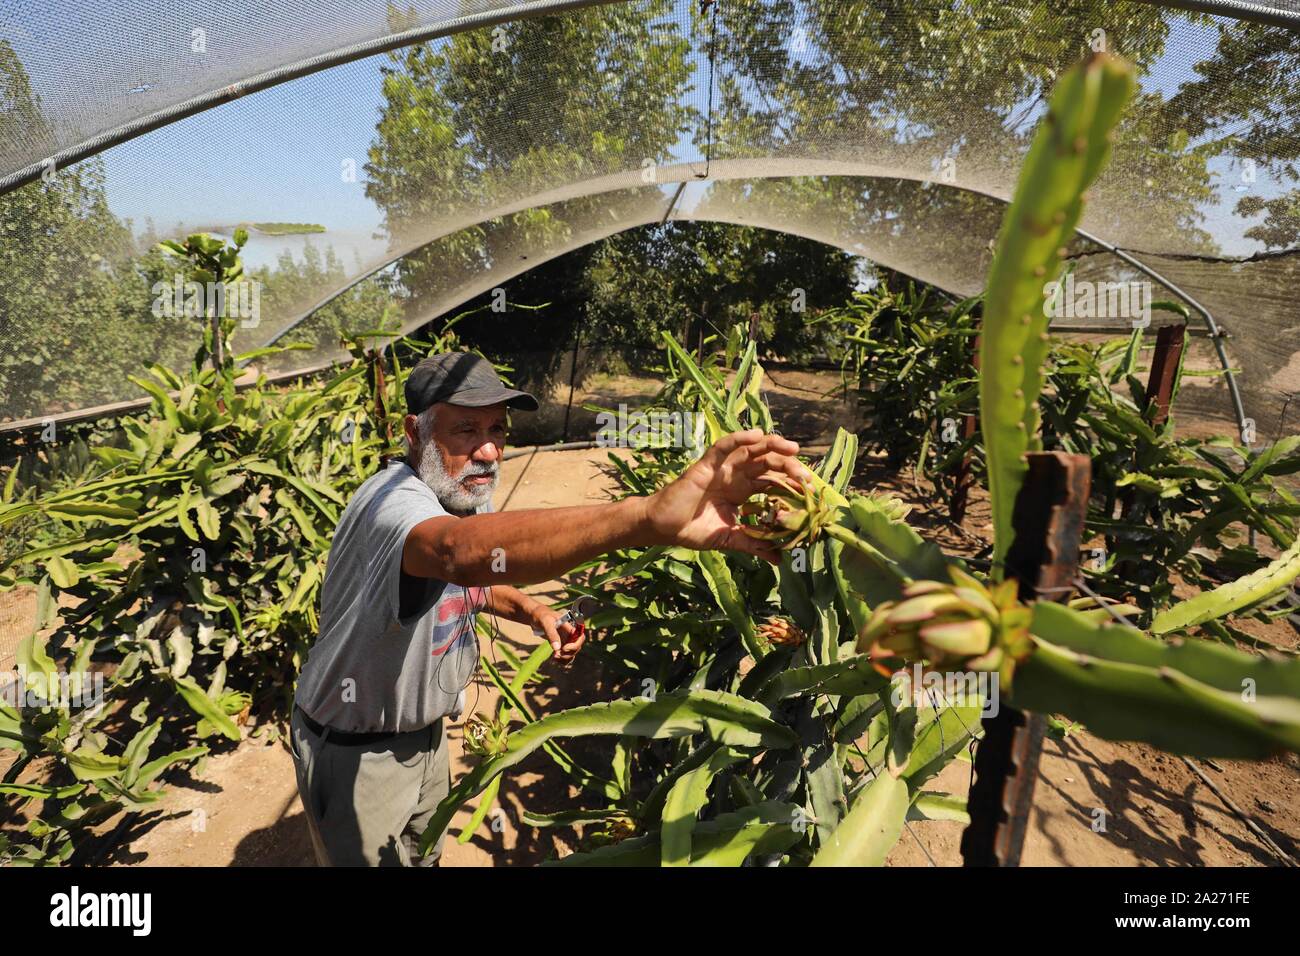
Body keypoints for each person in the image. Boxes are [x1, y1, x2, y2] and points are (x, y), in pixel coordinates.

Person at [289, 351, 806, 866]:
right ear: (415, 431)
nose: (489, 450)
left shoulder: (461, 492)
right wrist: (645, 518)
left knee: (424, 856)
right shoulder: (391, 505)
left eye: (498, 428)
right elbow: (457, 554)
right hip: (357, 748)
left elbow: (469, 580)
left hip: (423, 733)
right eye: (466, 430)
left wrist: (534, 611)